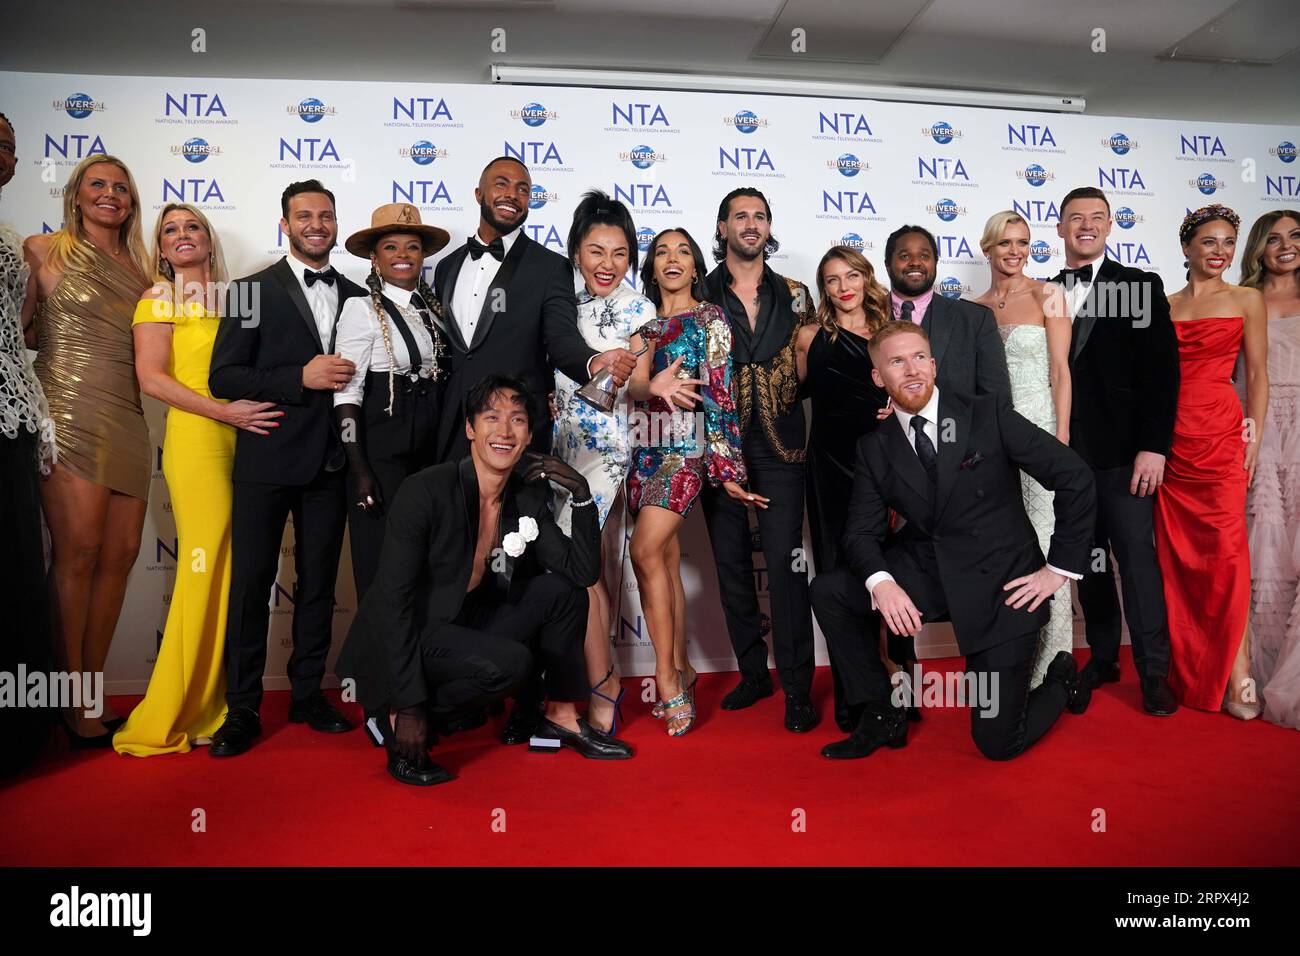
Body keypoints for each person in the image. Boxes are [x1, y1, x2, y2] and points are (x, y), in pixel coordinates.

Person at [811, 322, 1096, 761]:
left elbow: (1074, 476)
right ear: (877, 377)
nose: (912, 370)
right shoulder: (874, 445)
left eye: (920, 357)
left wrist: (1058, 569)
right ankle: (882, 711)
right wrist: (882, 583)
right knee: (831, 590)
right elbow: (860, 532)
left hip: (1004, 584)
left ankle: (1061, 679)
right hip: (930, 570)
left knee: (999, 744)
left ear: (934, 364)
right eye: (897, 361)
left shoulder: (986, 413)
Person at [336, 375, 633, 786]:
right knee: (511, 664)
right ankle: (394, 719)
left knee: (563, 593)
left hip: (462, 621)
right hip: (412, 633)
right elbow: (393, 603)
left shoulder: (525, 497)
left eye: (517, 419)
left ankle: (560, 717)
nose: (504, 430)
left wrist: (580, 494)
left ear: (529, 435)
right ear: (470, 429)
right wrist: (409, 705)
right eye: (492, 417)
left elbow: (581, 573)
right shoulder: (425, 490)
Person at [114, 204, 283, 756]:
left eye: (192, 227)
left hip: (250, 439)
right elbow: (152, 379)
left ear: (209, 241)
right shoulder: (157, 299)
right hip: (199, 439)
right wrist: (225, 413)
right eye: (170, 230)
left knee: (236, 569)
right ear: (161, 249)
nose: (182, 236)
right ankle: (173, 705)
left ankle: (218, 701)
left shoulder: (238, 298)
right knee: (203, 563)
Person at [207, 179, 366, 756]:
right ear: (286, 224)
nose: (316, 224)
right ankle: (242, 710)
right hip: (267, 456)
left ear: (335, 223)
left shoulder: (356, 292)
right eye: (304, 216)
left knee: (319, 586)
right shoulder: (251, 291)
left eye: (325, 215)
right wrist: (297, 377)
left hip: (329, 464)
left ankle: (307, 695)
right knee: (250, 586)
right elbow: (223, 377)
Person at [24, 154, 150, 745]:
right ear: (75, 195)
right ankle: (65, 700)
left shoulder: (145, 267)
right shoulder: (41, 250)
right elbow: (16, 329)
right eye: (98, 185)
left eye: (121, 188)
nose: (110, 195)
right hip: (67, 413)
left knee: (121, 555)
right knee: (78, 553)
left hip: (128, 415)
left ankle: (89, 696)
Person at [1052, 186, 1181, 716]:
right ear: (1059, 228)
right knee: (1090, 563)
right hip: (1067, 454)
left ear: (1109, 226)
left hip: (1128, 453)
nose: (1086, 225)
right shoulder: (1048, 290)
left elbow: (1162, 374)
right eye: (1075, 218)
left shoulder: (1140, 286)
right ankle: (1103, 657)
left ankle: (1154, 672)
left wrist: (1154, 447)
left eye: (1096, 218)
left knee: (1136, 561)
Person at [702, 187, 818, 732]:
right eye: (740, 216)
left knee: (786, 564)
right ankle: (753, 673)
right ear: (722, 226)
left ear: (769, 228)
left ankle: (797, 685)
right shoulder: (698, 296)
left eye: (760, 216)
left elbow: (818, 367)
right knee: (730, 565)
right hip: (718, 448)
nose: (751, 224)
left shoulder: (796, 295)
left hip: (783, 447)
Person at [431, 156, 636, 463]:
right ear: (478, 194)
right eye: (501, 184)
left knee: (518, 512)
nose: (512, 195)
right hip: (454, 425)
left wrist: (592, 363)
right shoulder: (447, 267)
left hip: (518, 428)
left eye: (523, 189)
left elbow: (561, 337)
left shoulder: (550, 267)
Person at [626, 227, 748, 737]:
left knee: (644, 550)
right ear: (651, 269)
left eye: (683, 252)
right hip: (641, 450)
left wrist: (728, 467)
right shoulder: (641, 326)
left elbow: (721, 394)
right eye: (661, 252)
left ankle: (667, 674)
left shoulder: (711, 318)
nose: (672, 259)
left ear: (697, 266)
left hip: (684, 450)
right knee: (666, 561)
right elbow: (630, 391)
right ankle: (685, 666)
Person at [1156, 205, 1269, 717]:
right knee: (1180, 562)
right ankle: (1193, 673)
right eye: (1209, 242)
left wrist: (1255, 436)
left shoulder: (1247, 299)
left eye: (1228, 242)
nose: (1220, 252)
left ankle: (1238, 672)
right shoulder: (1163, 304)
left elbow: (1259, 374)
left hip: (1221, 434)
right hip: (1172, 438)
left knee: (1227, 557)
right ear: (1187, 248)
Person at [551, 190, 656, 737]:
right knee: (573, 576)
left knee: (590, 572)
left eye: (619, 252)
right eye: (596, 251)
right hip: (559, 449)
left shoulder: (640, 309)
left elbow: (635, 383)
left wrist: (632, 374)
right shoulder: (560, 305)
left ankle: (605, 686)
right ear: (575, 253)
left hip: (608, 452)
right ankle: (584, 683)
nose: (607, 264)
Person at [974, 211, 1074, 688]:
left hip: (1040, 428)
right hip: (993, 440)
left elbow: (1060, 371)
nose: (1015, 251)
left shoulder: (1048, 295)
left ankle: (1056, 664)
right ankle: (1014, 660)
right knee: (1008, 542)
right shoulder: (974, 307)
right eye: (1005, 243)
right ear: (986, 248)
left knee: (1046, 539)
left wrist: (1062, 439)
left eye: (1023, 242)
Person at [794, 244, 891, 731]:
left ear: (866, 277)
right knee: (836, 571)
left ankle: (895, 681)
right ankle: (857, 689)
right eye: (831, 280)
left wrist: (901, 407)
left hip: (884, 466)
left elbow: (921, 384)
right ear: (823, 288)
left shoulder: (889, 332)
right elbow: (790, 399)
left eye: (851, 275)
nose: (843, 286)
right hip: (829, 467)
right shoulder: (810, 336)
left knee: (887, 571)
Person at [333, 203, 450, 602]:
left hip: (430, 449)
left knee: (424, 560)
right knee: (382, 561)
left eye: (412, 247)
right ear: (374, 257)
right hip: (382, 449)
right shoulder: (360, 309)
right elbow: (346, 394)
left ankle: (419, 659)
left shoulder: (435, 312)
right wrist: (359, 469)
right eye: (391, 247)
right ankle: (376, 663)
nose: (403, 255)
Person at [0, 110, 57, 774]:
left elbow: (20, 332)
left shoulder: (13, 239)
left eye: (11, 147)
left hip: (15, 415)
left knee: (15, 566)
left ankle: (17, 736)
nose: (6, 156)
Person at [1239, 209, 1300, 730]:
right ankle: (1262, 673)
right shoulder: (1243, 301)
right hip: (1259, 432)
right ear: (1258, 248)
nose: (1286, 246)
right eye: (1274, 238)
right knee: (1269, 554)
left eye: (1296, 236)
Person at [883, 224, 1012, 398]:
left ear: (935, 262)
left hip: (957, 425)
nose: (915, 262)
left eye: (924, 256)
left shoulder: (975, 320)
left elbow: (996, 399)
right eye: (904, 256)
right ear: (888, 265)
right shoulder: (864, 316)